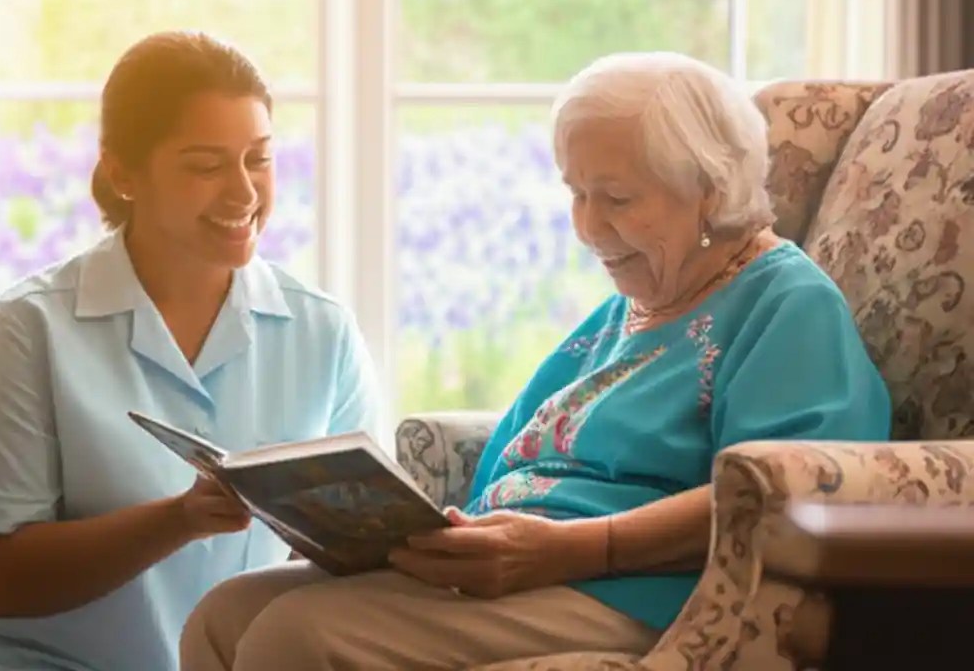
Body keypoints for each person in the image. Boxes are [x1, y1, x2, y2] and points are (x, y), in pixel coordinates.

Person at [180, 51, 892, 671]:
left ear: (708, 189)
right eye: (576, 193)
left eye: (615, 198)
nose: (587, 227)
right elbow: (511, 458)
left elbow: (786, 490)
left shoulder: (785, 303)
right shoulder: (627, 309)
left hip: (636, 590)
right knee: (222, 615)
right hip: (526, 574)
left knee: (300, 638)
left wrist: (578, 549)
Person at [0, 31, 379, 671]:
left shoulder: (324, 332)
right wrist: (178, 519)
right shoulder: (28, 329)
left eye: (259, 159)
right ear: (123, 172)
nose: (243, 193)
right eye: (206, 166)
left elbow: (344, 560)